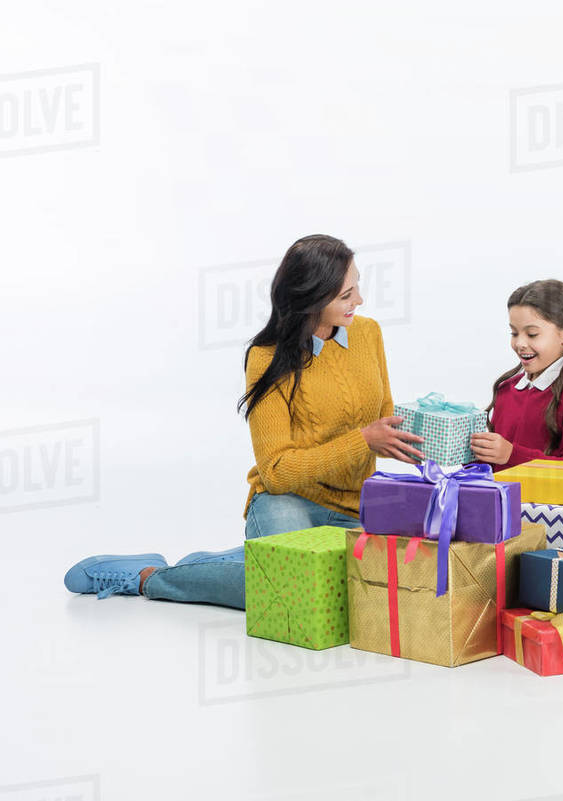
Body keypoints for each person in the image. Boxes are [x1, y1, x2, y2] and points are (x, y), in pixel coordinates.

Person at [63, 234, 425, 607]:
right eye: (346, 295)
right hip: (287, 501)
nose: (359, 301)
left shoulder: (368, 334)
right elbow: (276, 471)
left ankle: (237, 562)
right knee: (293, 596)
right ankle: (147, 578)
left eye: (357, 288)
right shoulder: (267, 357)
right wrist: (362, 441)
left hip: (355, 508)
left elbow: (382, 423)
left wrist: (430, 438)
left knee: (364, 598)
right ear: (311, 298)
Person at [470, 279, 563, 469]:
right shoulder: (507, 389)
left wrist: (511, 454)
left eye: (532, 334)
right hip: (500, 497)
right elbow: (493, 466)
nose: (520, 343)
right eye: (514, 333)